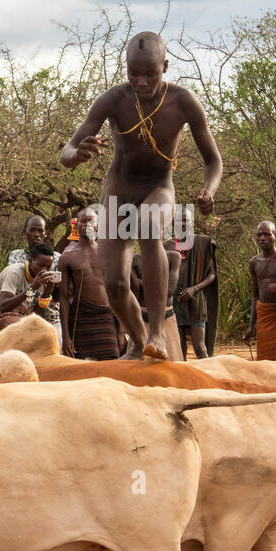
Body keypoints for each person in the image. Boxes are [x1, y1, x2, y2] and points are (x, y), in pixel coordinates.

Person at [60, 31, 222, 360]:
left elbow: (213, 161)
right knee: (116, 285)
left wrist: (209, 190)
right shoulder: (114, 99)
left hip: (158, 187)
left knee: (149, 226)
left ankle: (158, 332)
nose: (141, 81)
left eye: (150, 73)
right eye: (134, 72)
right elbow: (67, 150)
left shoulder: (183, 101)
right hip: (118, 193)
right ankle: (138, 343)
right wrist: (77, 155)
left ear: (165, 66)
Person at [59, 209, 121, 360]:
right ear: (76, 225)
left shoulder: (108, 253)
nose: (87, 224)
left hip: (106, 317)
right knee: (81, 369)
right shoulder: (67, 257)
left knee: (110, 364)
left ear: (98, 225)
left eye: (91, 221)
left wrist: (121, 329)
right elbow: (64, 298)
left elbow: (119, 292)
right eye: (83, 221)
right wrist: (66, 336)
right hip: (80, 318)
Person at [0, 244, 60, 336]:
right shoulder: (14, 272)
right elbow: (4, 307)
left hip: (20, 326)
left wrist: (45, 296)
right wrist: (32, 288)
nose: (44, 270)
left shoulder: (42, 280)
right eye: (41, 265)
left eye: (48, 267)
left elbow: (35, 317)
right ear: (31, 261)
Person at [173, 231, 217, 360]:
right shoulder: (167, 245)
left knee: (199, 347)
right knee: (179, 349)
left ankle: (209, 377)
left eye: (186, 220)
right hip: (174, 298)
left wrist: (194, 289)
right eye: (179, 220)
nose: (182, 224)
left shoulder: (201, 244)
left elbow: (212, 274)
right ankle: (183, 379)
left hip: (196, 298)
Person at [245, 221, 276, 361]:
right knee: (264, 360)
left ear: (275, 236)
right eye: (259, 235)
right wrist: (251, 327)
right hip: (263, 315)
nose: (262, 238)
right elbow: (255, 295)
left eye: (267, 234)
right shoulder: (254, 262)